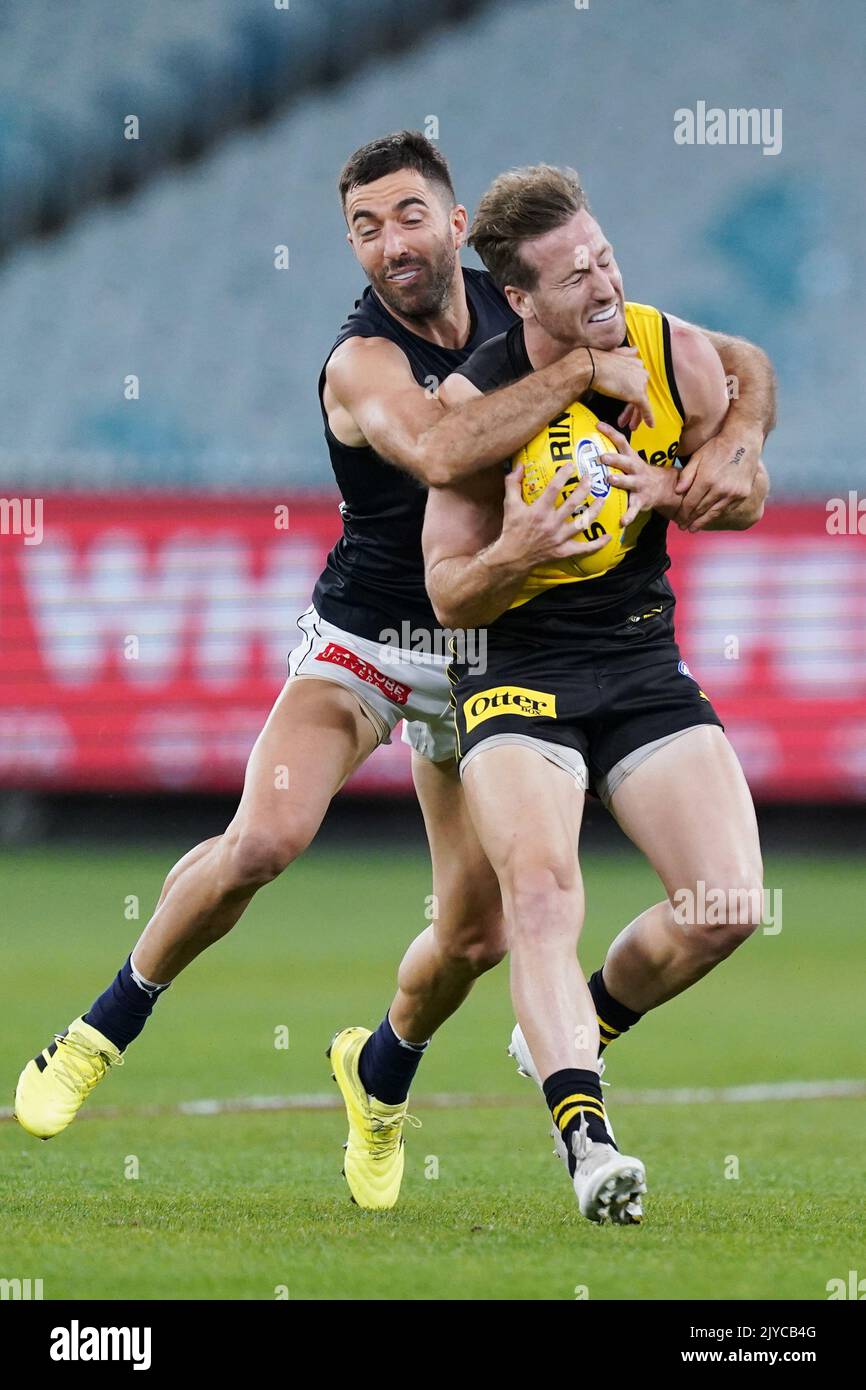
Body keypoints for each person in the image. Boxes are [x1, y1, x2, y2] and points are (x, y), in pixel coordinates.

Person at [16, 135, 773, 1215]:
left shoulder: (534, 291)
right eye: (363, 228)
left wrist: (734, 433)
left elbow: (726, 357)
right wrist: (576, 374)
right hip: (371, 641)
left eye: (408, 215)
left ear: (457, 227)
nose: (389, 244)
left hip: (496, 648)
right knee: (264, 839)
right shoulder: (363, 359)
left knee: (474, 936)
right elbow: (437, 451)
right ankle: (104, 1025)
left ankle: (378, 1076)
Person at [422, 163, 772, 1222]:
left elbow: (740, 493)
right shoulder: (478, 402)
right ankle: (586, 1139)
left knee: (725, 906)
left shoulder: (670, 352)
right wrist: (520, 549)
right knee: (538, 893)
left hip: (634, 660)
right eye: (573, 277)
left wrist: (691, 476)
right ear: (519, 298)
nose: (603, 284)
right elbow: (446, 596)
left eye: (606, 256)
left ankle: (565, 1028)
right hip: (514, 668)